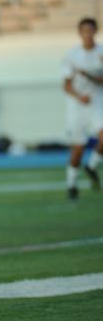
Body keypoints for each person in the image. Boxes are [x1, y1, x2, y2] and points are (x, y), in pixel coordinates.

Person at [62, 16, 103, 200]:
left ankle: (92, 165)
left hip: (97, 101)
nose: (88, 34)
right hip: (78, 105)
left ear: (96, 30)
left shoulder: (101, 52)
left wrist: (89, 76)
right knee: (78, 147)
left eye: (90, 29)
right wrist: (79, 96)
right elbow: (66, 85)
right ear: (80, 33)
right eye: (84, 30)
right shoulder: (72, 55)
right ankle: (71, 184)